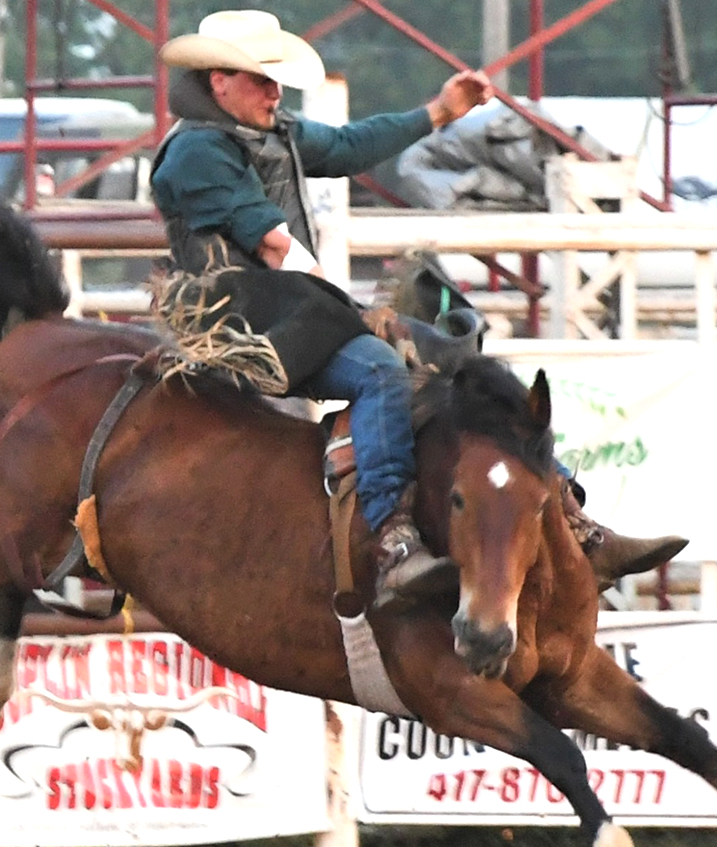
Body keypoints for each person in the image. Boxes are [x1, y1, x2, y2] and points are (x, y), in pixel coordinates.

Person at [151, 10, 685, 606]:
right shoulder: (197, 152)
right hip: (243, 323)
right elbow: (273, 242)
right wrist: (341, 307)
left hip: (288, 308)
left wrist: (441, 111)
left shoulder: (270, 134)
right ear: (217, 82)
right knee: (382, 369)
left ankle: (571, 520)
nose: (275, 92)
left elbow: (351, 145)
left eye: (274, 78)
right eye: (260, 80)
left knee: (465, 372)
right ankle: (393, 537)